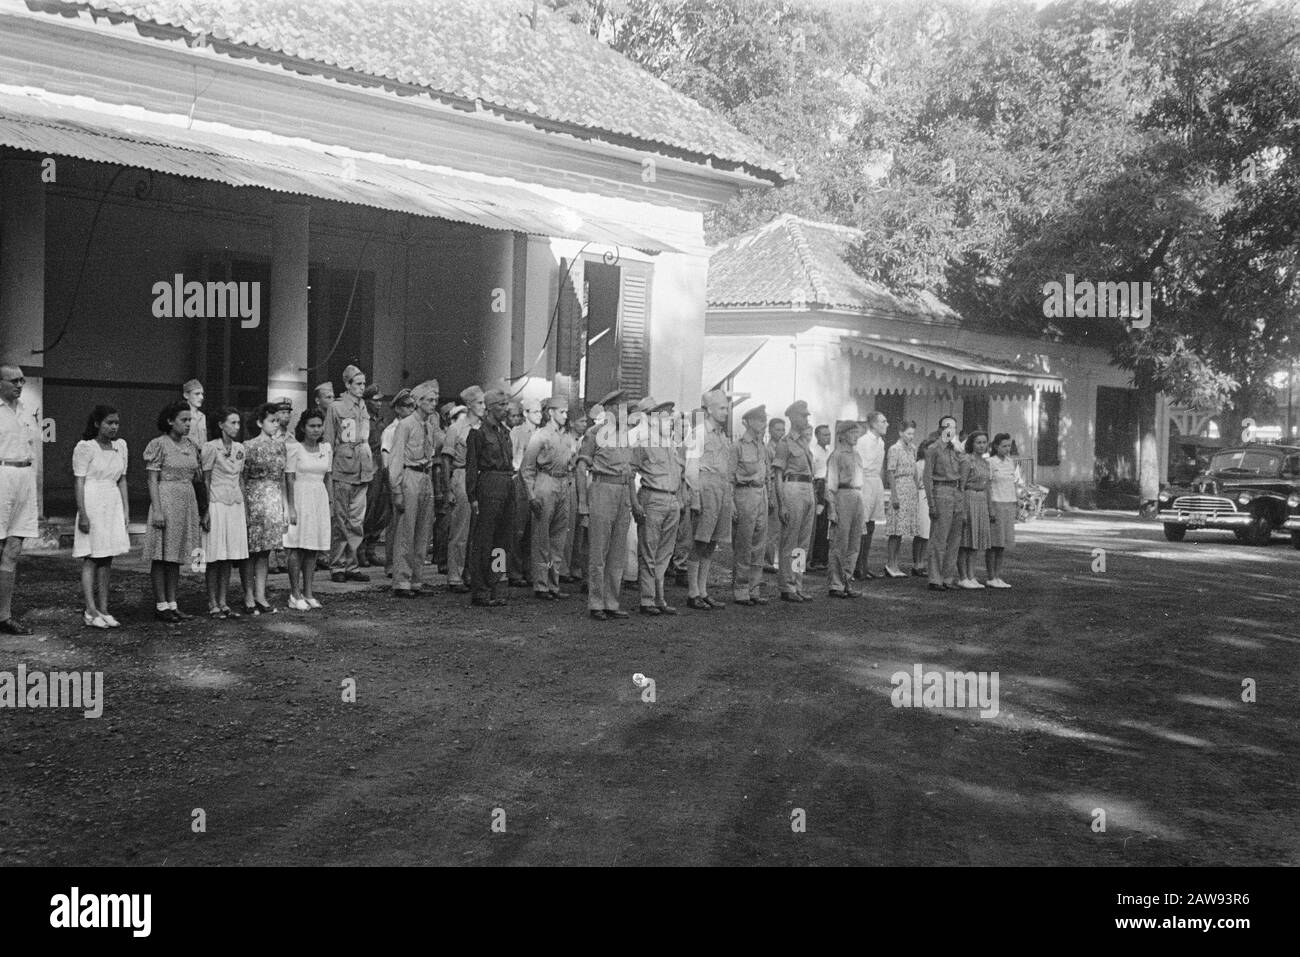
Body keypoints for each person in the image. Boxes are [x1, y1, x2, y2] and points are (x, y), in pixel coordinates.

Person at [143, 400, 205, 622]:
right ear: (170, 421)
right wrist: (157, 510)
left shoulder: (191, 445)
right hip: (166, 498)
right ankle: (161, 605)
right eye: (183, 420)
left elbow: (198, 477)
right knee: (161, 555)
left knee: (176, 555)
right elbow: (152, 479)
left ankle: (172, 602)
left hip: (186, 500)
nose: (188, 424)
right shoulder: (159, 444)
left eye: (190, 420)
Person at [577, 389, 637, 620]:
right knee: (599, 551)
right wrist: (583, 503)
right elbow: (581, 468)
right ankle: (596, 603)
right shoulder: (594, 433)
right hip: (602, 488)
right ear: (610, 409)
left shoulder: (625, 435)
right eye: (621, 408)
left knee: (617, 552)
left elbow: (630, 472)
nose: (625, 412)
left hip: (622, 491)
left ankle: (611, 602)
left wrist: (632, 500)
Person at [72, 405, 130, 629]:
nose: (114, 427)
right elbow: (79, 481)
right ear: (97, 424)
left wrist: (125, 510)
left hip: (112, 502)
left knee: (107, 557)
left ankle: (104, 609)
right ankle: (90, 610)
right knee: (92, 557)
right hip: (92, 501)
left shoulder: (120, 446)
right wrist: (83, 514)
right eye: (109, 422)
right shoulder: (85, 447)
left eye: (116, 423)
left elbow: (122, 479)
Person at [388, 380, 442, 598]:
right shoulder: (406, 425)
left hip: (425, 475)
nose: (433, 404)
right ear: (418, 402)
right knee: (406, 530)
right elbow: (396, 458)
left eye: (435, 400)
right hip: (410, 474)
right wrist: (397, 490)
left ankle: (417, 579)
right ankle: (402, 580)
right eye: (429, 400)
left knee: (423, 530)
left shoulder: (429, 426)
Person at [630, 396, 682, 616]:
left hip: (671, 499)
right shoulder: (643, 442)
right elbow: (629, 474)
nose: (669, 421)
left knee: (665, 553)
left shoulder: (669, 444)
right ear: (651, 420)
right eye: (664, 417)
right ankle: (647, 599)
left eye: (670, 417)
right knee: (649, 551)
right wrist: (634, 504)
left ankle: (659, 597)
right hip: (652, 498)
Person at [522, 396, 576, 601]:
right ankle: (541, 583)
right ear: (550, 412)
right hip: (545, 482)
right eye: (561, 412)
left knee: (558, 538)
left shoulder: (566, 437)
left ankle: (553, 583)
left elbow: (571, 462)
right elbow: (526, 469)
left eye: (565, 412)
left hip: (563, 483)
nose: (565, 415)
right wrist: (531, 495)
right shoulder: (541, 435)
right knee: (541, 537)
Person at [465, 389, 516, 607]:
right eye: (502, 405)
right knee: (484, 540)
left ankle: (497, 585)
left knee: (502, 540)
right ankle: (481, 589)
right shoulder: (478, 433)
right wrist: (472, 495)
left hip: (506, 483)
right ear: (491, 407)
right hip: (488, 484)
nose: (506, 409)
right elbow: (472, 466)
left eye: (506, 405)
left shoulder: (505, 432)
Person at [683, 389, 733, 611]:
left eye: (726, 407)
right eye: (722, 408)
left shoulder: (722, 434)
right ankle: (692, 592)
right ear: (709, 409)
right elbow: (691, 467)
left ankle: (703, 591)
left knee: (712, 542)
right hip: (705, 489)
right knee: (700, 540)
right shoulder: (698, 433)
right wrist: (695, 497)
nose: (726, 411)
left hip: (720, 488)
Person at [0, 363, 40, 635]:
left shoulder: (27, 412)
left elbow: (32, 448)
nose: (19, 385)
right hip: (2, 475)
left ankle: (4, 615)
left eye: (22, 380)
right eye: (13, 380)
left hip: (25, 478)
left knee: (14, 550)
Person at [325, 365, 373, 582]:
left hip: (362, 468)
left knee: (356, 520)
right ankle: (337, 565)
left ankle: (352, 565)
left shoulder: (363, 406)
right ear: (347, 385)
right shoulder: (336, 407)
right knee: (341, 520)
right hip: (343, 468)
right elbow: (328, 440)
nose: (362, 388)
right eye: (358, 384)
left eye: (363, 383)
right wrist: (328, 471)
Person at [200, 407, 250, 619]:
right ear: (221, 425)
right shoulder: (210, 447)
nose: (236, 427)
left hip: (235, 504)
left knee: (229, 555)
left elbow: (240, 478)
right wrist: (206, 509)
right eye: (232, 423)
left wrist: (245, 508)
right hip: (216, 503)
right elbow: (206, 479)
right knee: (213, 555)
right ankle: (211, 601)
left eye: (238, 423)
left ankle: (223, 600)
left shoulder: (240, 448)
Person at [284, 409, 332, 610]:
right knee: (297, 546)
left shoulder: (327, 448)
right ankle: (294, 594)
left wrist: (330, 504)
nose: (316, 430)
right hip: (300, 497)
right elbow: (289, 477)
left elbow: (328, 476)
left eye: (319, 426)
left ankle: (309, 592)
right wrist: (291, 508)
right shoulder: (295, 448)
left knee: (313, 547)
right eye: (312, 426)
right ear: (303, 427)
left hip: (319, 498)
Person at [243, 403, 289, 614]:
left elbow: (282, 478)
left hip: (273, 498)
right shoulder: (248, 446)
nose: (275, 425)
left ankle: (261, 594)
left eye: (277, 421)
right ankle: (248, 594)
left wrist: (285, 507)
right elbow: (242, 478)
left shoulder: (281, 446)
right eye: (271, 421)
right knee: (251, 551)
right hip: (254, 498)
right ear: (260, 422)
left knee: (265, 552)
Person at [772, 399, 816, 603]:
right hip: (793, 488)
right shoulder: (785, 443)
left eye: (806, 415)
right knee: (790, 541)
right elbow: (778, 475)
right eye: (802, 415)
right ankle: (786, 585)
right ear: (792, 417)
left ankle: (797, 584)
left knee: (802, 544)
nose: (806, 418)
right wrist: (781, 504)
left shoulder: (804, 443)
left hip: (808, 489)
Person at [442, 386, 482, 594]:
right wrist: (448, 488)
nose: (483, 407)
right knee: (460, 530)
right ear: (469, 405)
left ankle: (469, 572)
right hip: (461, 475)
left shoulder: (482, 428)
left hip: (479, 478)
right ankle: (455, 575)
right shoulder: (457, 428)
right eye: (480, 403)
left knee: (476, 531)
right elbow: (446, 459)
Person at [730, 404, 770, 606]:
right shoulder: (738, 446)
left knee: (759, 544)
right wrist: (731, 503)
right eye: (761, 420)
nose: (764, 424)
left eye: (765, 420)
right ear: (750, 422)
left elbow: (766, 474)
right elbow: (729, 477)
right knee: (744, 544)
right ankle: (741, 589)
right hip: (744, 493)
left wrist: (769, 497)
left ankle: (754, 588)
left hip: (760, 493)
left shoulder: (762, 445)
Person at [924, 415, 965, 590]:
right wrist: (931, 503)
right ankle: (935, 578)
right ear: (940, 429)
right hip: (941, 491)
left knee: (955, 539)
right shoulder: (933, 449)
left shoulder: (957, 450)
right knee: (939, 538)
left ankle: (948, 577)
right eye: (946, 427)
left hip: (956, 491)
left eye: (953, 427)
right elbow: (927, 477)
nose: (950, 430)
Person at [826, 420, 865, 598]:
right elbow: (831, 484)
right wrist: (832, 509)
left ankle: (847, 580)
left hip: (857, 495)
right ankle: (836, 583)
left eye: (857, 433)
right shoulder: (837, 455)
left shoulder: (857, 455)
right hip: (842, 495)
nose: (856, 436)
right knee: (839, 542)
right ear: (842, 435)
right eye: (852, 433)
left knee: (854, 542)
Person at [380, 389, 415, 577]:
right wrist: (393, 486)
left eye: (413, 406)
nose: (411, 409)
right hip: (397, 479)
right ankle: (392, 564)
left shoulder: (414, 427)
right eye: (407, 406)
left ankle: (404, 564)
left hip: (411, 478)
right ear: (398, 409)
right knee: (395, 523)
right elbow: (386, 460)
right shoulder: (391, 431)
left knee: (408, 524)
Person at [509, 397, 542, 587]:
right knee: (518, 528)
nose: (538, 415)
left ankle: (529, 570)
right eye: (534, 411)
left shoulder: (541, 434)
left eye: (539, 411)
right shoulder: (517, 432)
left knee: (533, 528)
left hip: (537, 481)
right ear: (525, 413)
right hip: (520, 481)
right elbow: (514, 458)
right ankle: (514, 570)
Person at [854, 410, 889, 581]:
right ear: (874, 424)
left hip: (875, 482)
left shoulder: (881, 442)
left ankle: (864, 565)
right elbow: (860, 466)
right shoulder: (863, 441)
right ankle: (856, 566)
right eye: (883, 421)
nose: (886, 424)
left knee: (871, 525)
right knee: (862, 524)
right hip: (864, 483)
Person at [883, 420, 921, 578]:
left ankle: (895, 563)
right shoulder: (894, 449)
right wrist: (894, 494)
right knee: (895, 530)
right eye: (908, 433)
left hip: (910, 488)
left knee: (902, 531)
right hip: (899, 486)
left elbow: (914, 470)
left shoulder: (912, 448)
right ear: (900, 433)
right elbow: (890, 471)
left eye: (913, 433)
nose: (911, 437)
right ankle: (890, 564)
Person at [986, 432, 1022, 589]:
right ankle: (990, 576)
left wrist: (1017, 503)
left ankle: (998, 576)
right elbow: (988, 486)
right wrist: (991, 508)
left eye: (1009, 446)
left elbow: (1013, 484)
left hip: (1009, 503)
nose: (1007, 449)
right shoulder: (990, 462)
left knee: (1002, 544)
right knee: (994, 543)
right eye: (1004, 446)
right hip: (996, 503)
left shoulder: (1010, 462)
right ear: (996, 446)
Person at [958, 431, 994, 588]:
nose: (981, 445)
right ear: (972, 444)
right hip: (969, 497)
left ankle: (972, 575)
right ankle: (963, 576)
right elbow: (961, 485)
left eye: (984, 442)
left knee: (975, 541)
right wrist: (963, 509)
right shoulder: (967, 460)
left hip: (981, 500)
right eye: (978, 442)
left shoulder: (986, 463)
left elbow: (988, 486)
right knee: (965, 540)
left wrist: (990, 508)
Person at [360, 384, 390, 568]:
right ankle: (361, 550)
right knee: (368, 510)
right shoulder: (364, 421)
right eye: (375, 400)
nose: (379, 404)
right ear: (366, 401)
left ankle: (371, 548)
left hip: (381, 468)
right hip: (369, 468)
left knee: (380, 510)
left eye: (380, 401)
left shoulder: (380, 421)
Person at [561, 407, 589, 586]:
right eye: (581, 421)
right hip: (570, 480)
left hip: (583, 482)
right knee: (568, 527)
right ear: (572, 423)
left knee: (580, 528)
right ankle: (563, 568)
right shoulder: (566, 440)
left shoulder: (585, 440)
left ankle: (575, 566)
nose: (585, 424)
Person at [763, 416, 786, 571]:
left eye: (783, 429)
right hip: (773, 484)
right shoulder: (768, 448)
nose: (781, 432)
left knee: (788, 527)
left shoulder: (785, 446)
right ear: (770, 430)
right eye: (778, 429)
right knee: (773, 528)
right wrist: (770, 495)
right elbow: (768, 473)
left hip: (788, 486)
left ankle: (792, 562)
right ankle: (770, 561)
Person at [810, 424, 832, 570]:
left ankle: (824, 558)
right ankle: (814, 558)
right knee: (818, 523)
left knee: (827, 524)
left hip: (829, 485)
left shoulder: (830, 451)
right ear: (817, 436)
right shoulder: (813, 451)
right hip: (818, 485)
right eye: (824, 434)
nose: (828, 437)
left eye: (829, 434)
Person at [913, 436, 933, 576]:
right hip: (921, 496)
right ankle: (917, 562)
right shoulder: (919, 464)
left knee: (927, 534)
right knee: (921, 532)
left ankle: (922, 562)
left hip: (931, 496)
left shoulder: (933, 464)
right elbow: (916, 482)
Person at [183, 378, 207, 447]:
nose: (201, 397)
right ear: (186, 395)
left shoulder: (202, 416)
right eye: (197, 394)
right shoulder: (181, 415)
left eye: (202, 394)